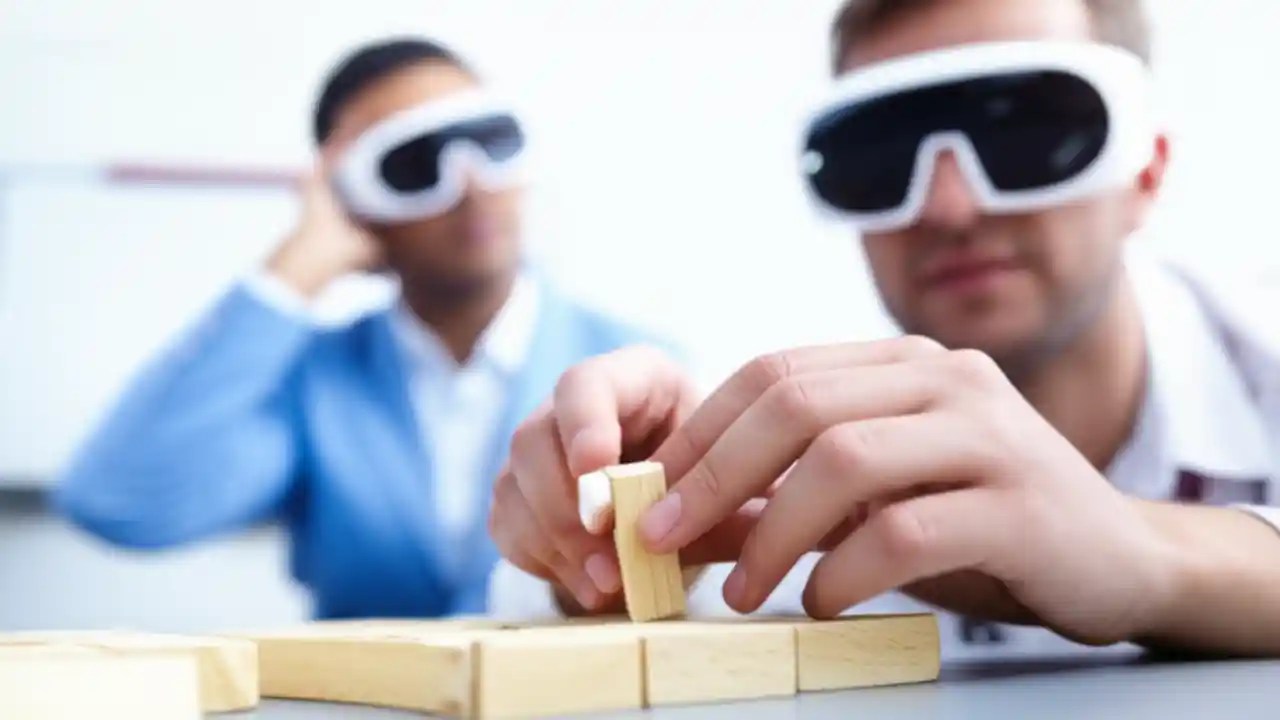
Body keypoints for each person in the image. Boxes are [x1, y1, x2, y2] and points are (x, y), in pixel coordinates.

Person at [487, 0, 1280, 658]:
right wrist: (627, 547)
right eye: (883, 158)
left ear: (1145, 169)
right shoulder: (814, 469)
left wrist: (1154, 563)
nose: (949, 207)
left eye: (1025, 135)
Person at [55, 38, 659, 619]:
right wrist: (295, 270)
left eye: (488, 140)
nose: (472, 184)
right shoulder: (315, 385)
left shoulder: (633, 372)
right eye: (417, 162)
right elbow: (121, 502)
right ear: (351, 199)